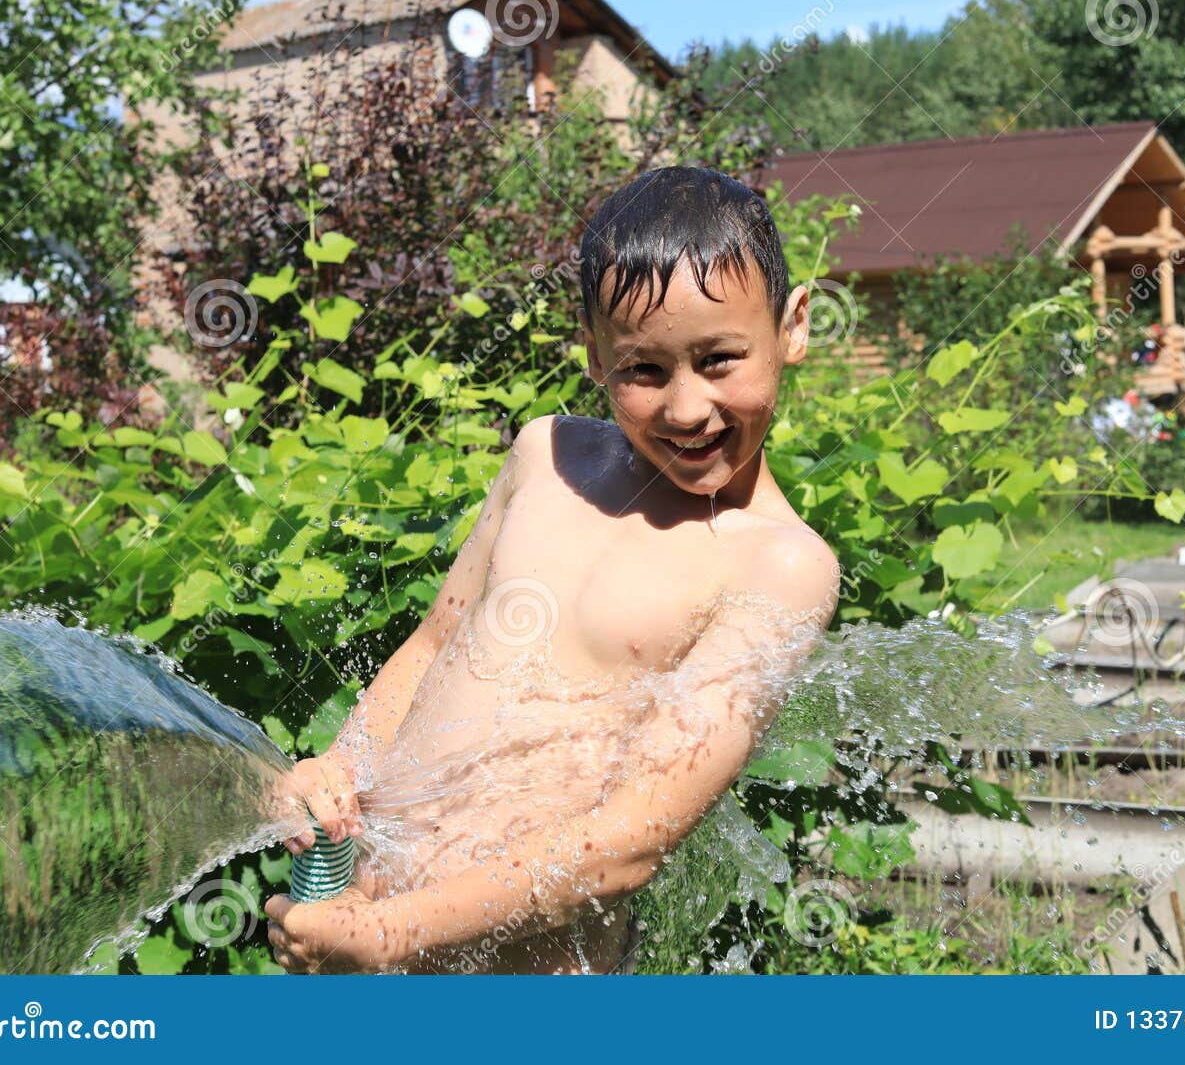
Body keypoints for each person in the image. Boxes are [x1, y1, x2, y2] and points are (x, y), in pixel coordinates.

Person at [264, 165, 840, 973]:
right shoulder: (546, 456)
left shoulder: (780, 565)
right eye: (643, 370)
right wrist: (340, 767)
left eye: (718, 360)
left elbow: (626, 845)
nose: (684, 408)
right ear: (593, 352)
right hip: (361, 926)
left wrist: (396, 932)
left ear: (794, 326)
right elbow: (436, 644)